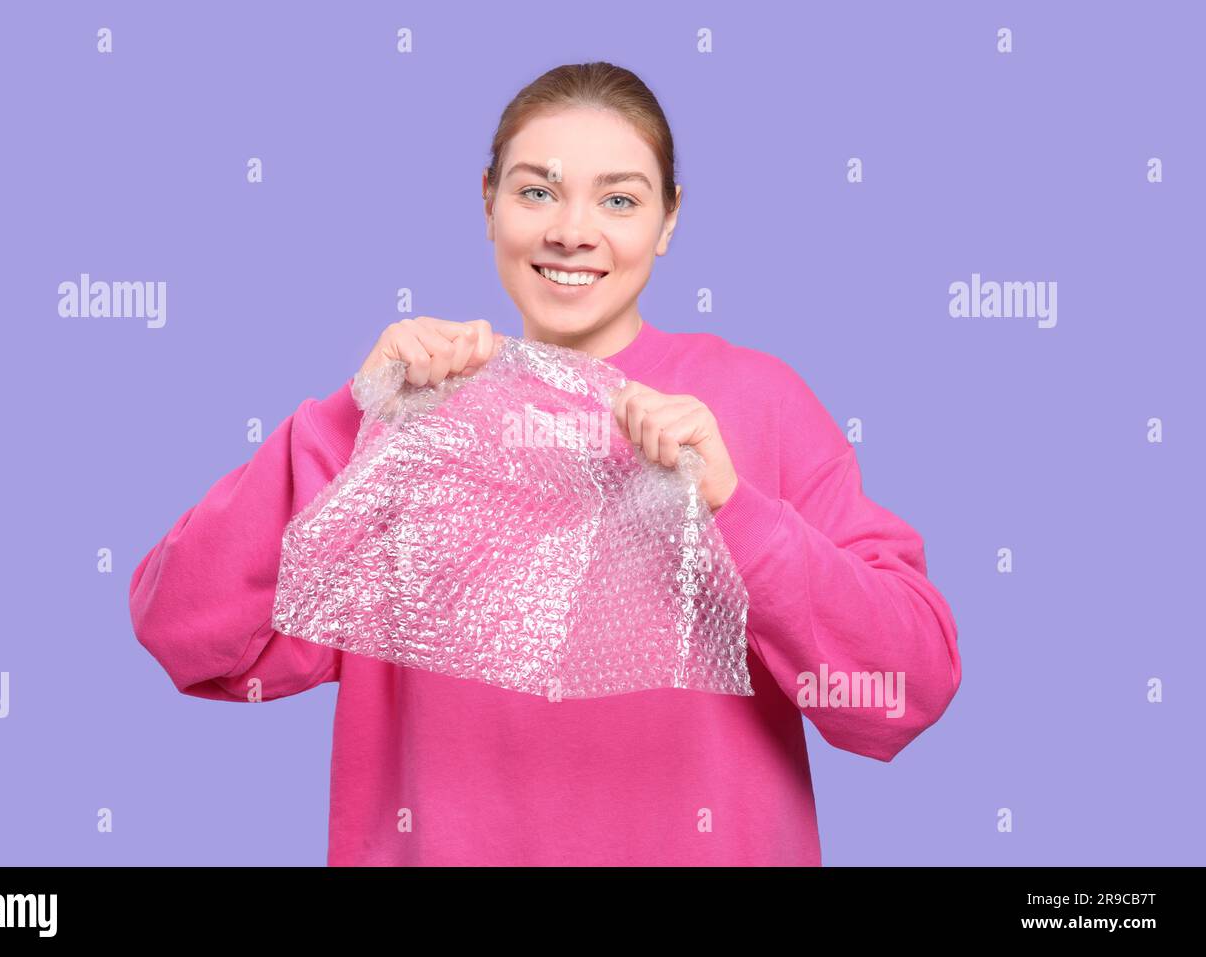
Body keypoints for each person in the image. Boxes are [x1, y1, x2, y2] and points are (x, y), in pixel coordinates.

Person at [129, 61, 961, 866]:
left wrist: (735, 507)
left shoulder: (758, 405)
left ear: (669, 220)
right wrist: (350, 417)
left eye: (620, 199)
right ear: (486, 203)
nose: (572, 229)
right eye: (536, 190)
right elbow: (186, 632)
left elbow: (905, 691)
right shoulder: (414, 418)